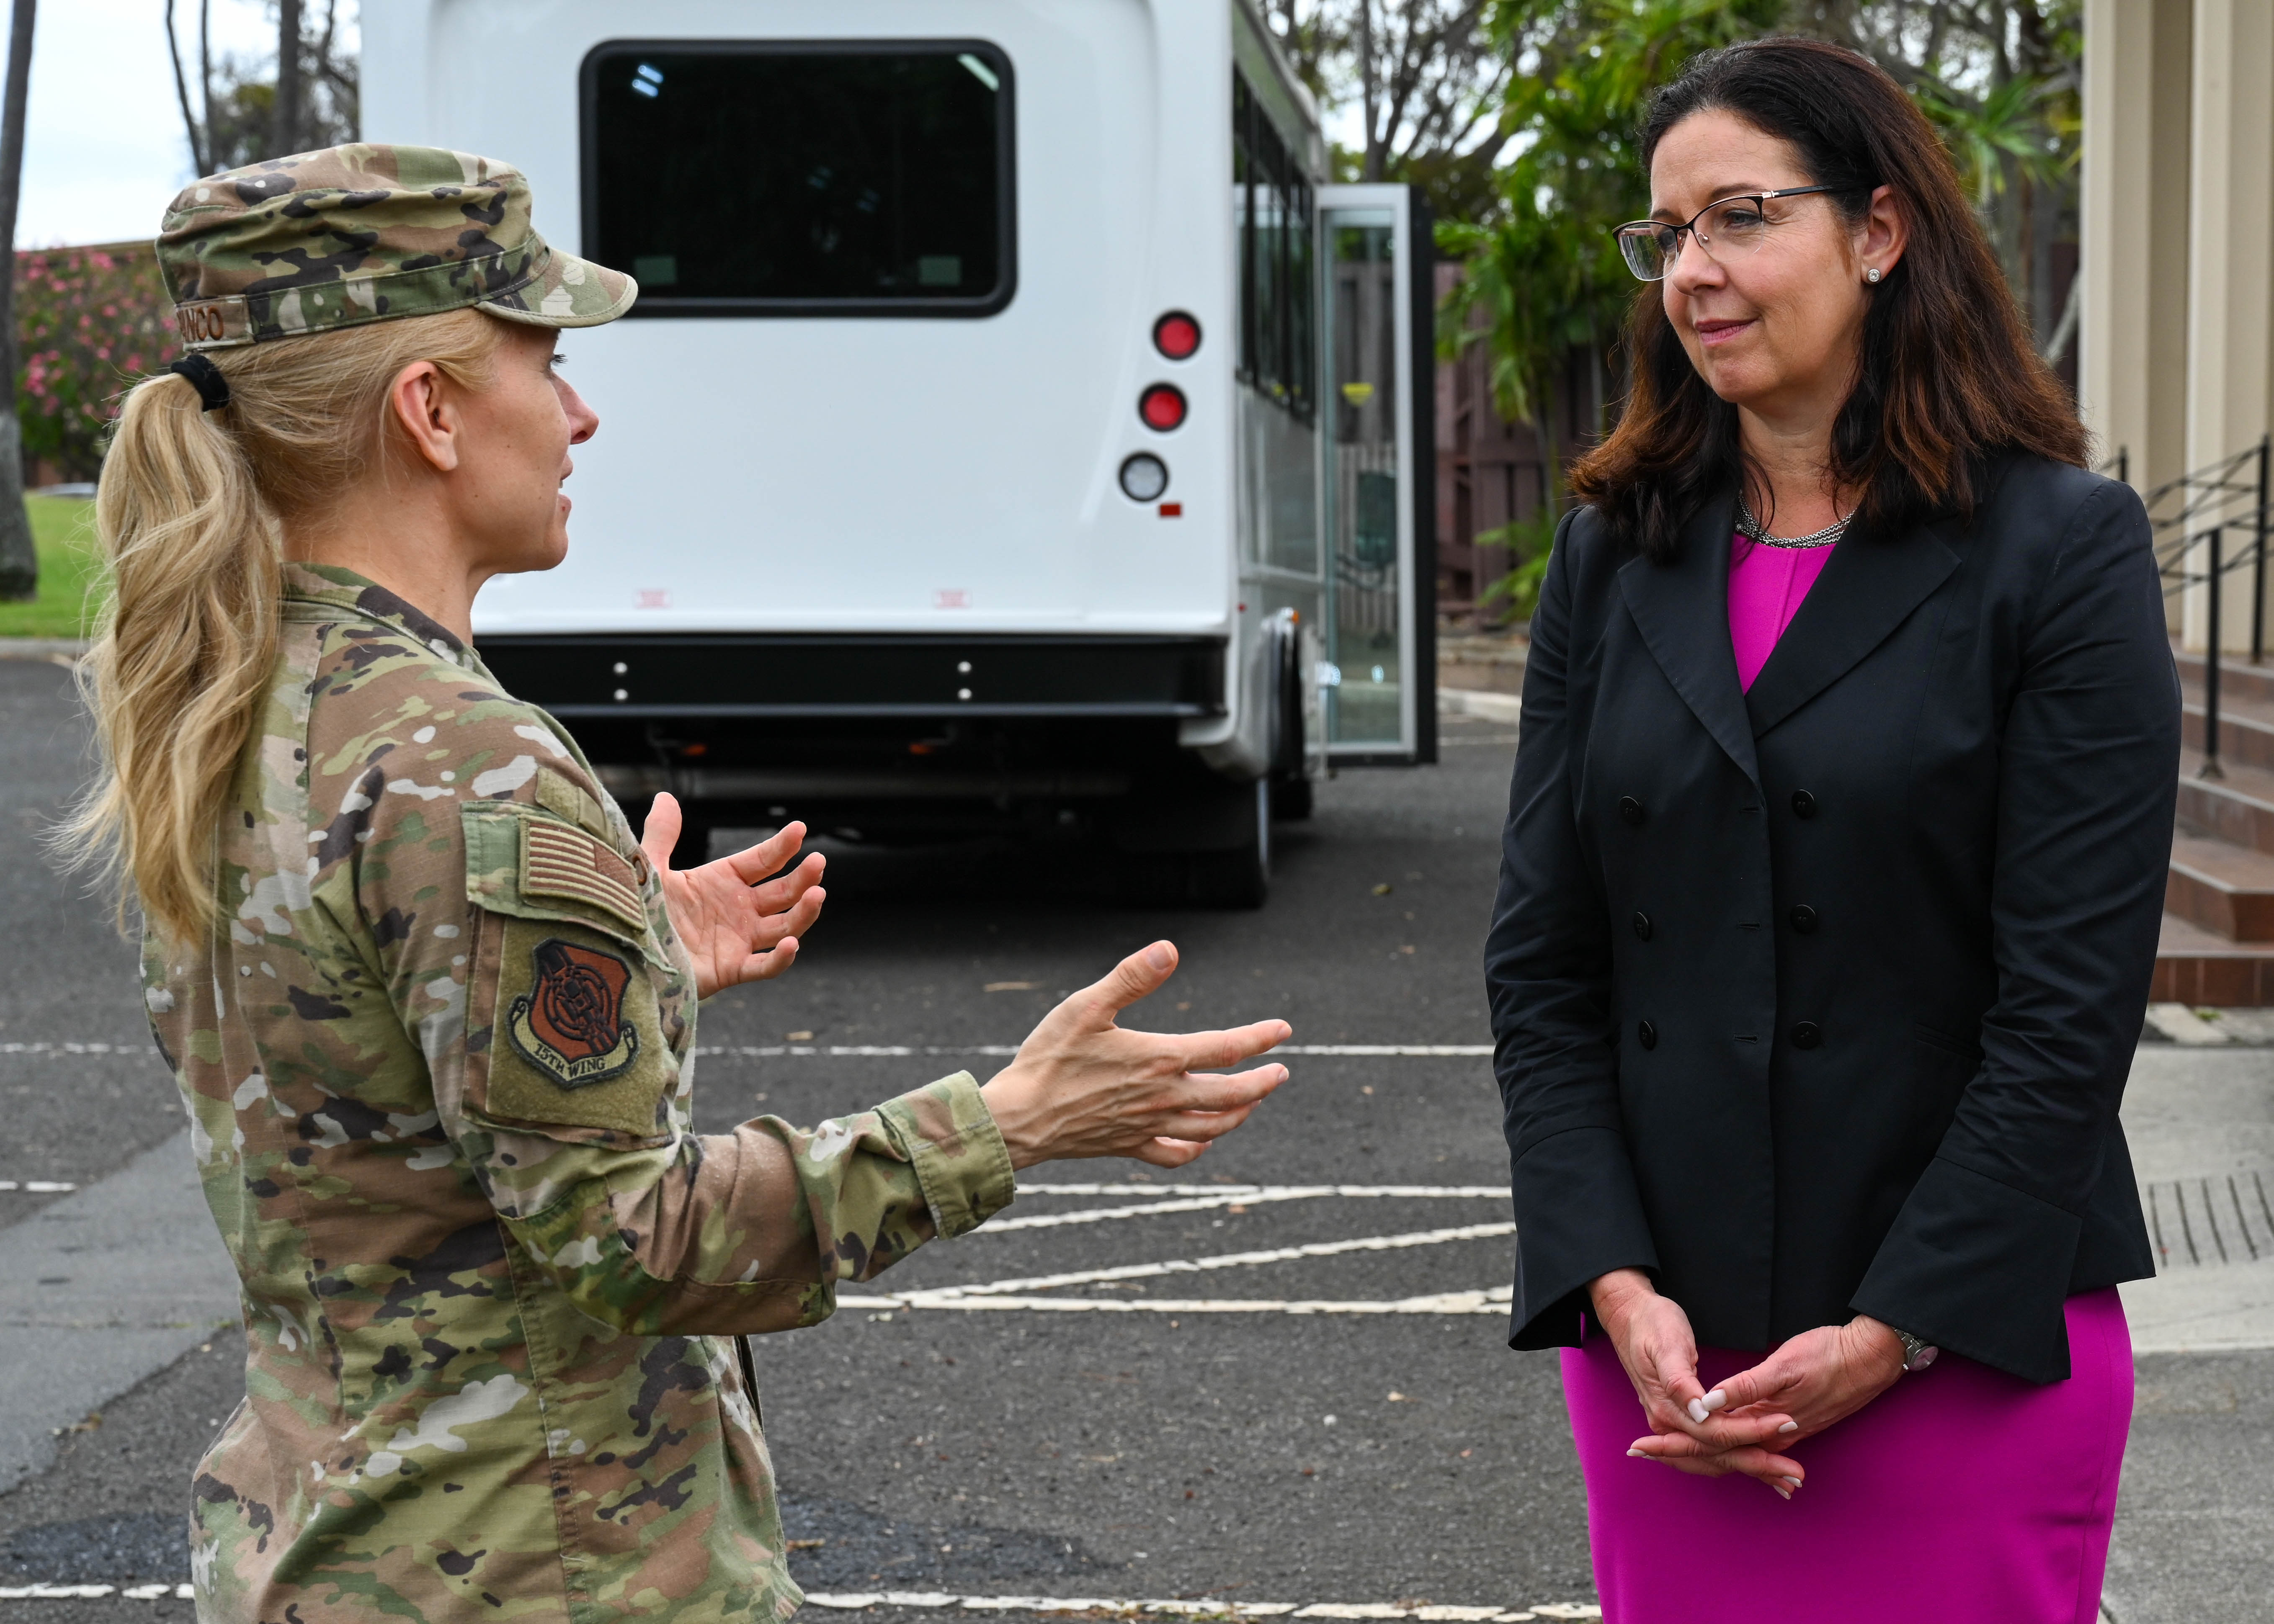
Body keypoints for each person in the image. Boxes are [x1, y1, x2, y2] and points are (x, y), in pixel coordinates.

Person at [63, 146, 1291, 1623]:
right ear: (431, 412)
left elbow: (366, 1095)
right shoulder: (466, 764)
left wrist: (627, 948)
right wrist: (1009, 1127)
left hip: (322, 1547)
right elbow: (628, 1242)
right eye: (547, 363)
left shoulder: (241, 700)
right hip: (540, 1566)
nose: (580, 414)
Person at [1483, 39, 2176, 1624]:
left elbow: (2068, 1005)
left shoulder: (2060, 550)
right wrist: (1612, 1281)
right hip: (1673, 1365)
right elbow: (1543, 966)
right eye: (1667, 237)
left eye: (1741, 218)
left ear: (1879, 233)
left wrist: (1898, 1329)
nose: (1695, 273)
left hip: (1964, 1342)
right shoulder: (1610, 561)